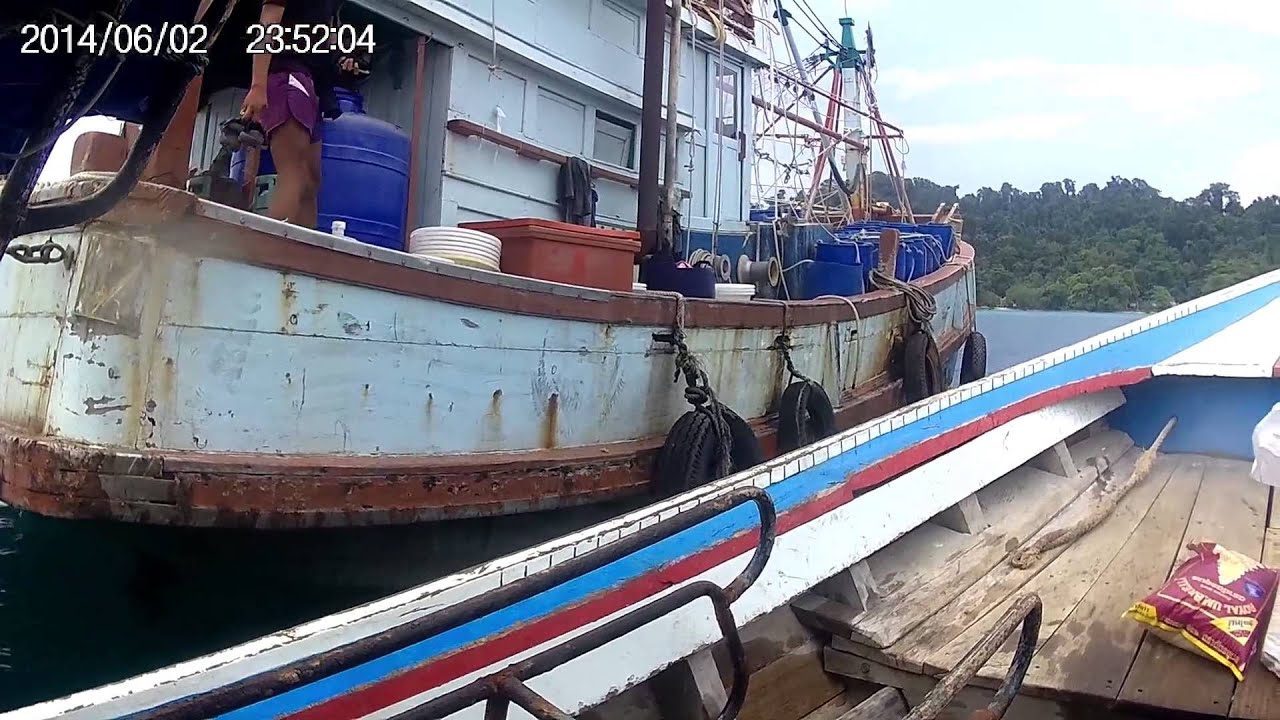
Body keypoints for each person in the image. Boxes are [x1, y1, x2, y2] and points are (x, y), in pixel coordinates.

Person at [239, 0, 344, 228]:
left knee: (309, 180)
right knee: (292, 169)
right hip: (287, 73)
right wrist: (258, 85)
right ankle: (271, 243)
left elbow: (327, 40)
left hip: (311, 82)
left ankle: (303, 246)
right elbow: (269, 21)